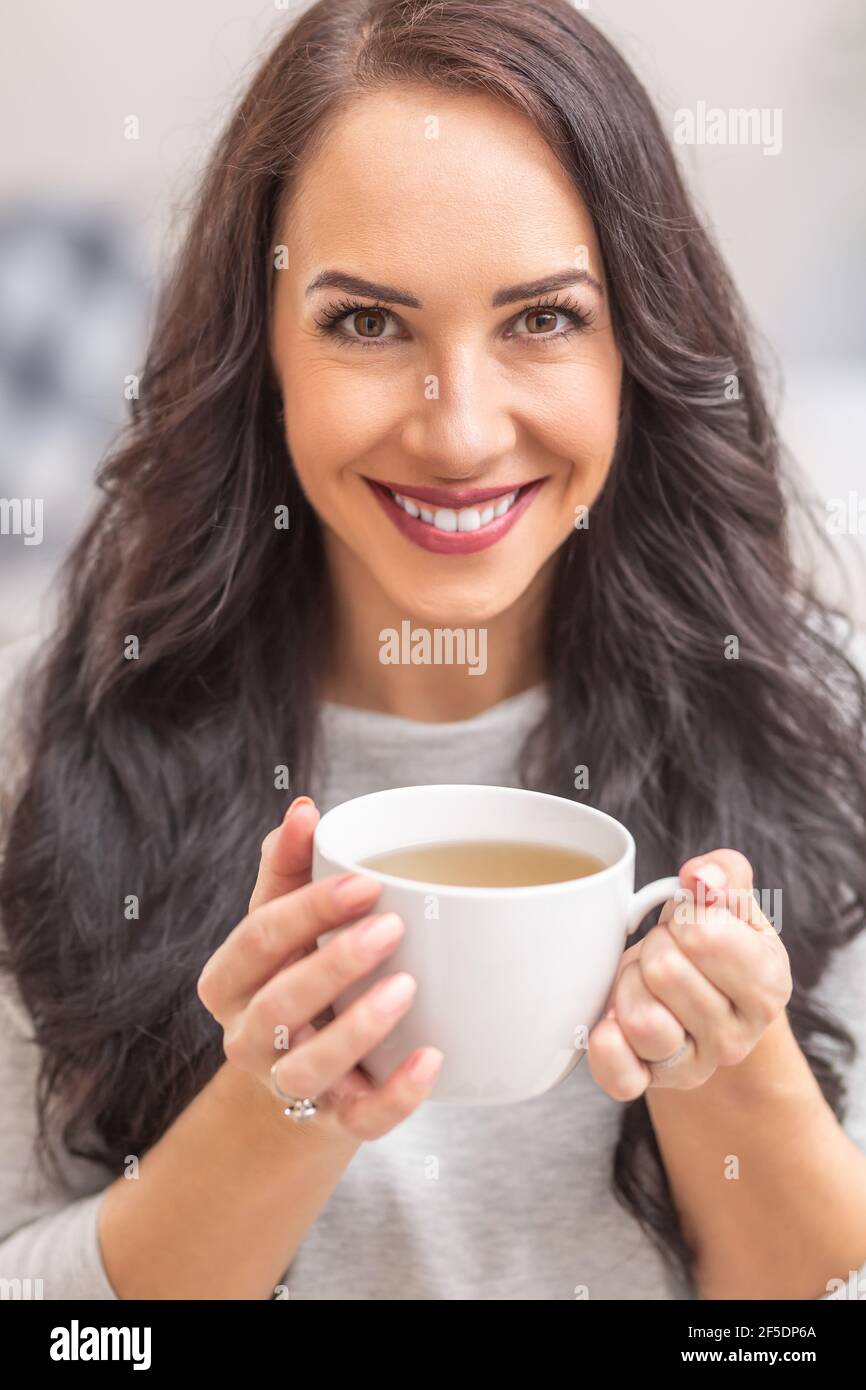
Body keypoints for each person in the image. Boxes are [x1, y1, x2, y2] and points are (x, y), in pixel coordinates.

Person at [1, 0, 865, 1302]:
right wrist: (278, 1102)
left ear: (635, 347)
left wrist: (736, 1072)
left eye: (541, 319)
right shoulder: (60, 748)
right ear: (264, 354)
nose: (458, 433)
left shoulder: (807, 731)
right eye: (366, 323)